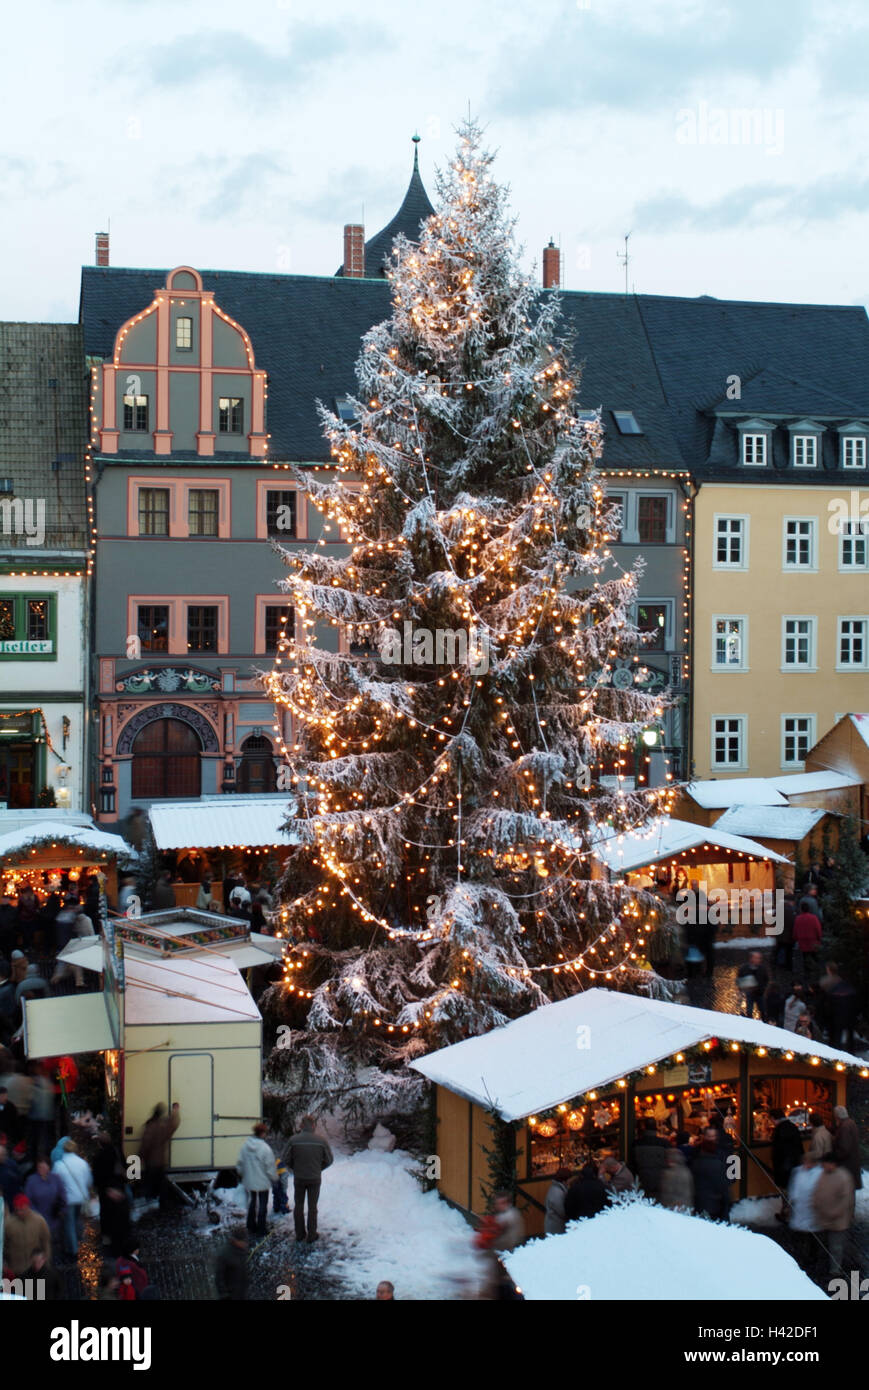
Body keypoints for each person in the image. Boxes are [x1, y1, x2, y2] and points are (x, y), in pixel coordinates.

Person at [285, 1114, 333, 1243]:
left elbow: (285, 1159)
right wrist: (318, 1168)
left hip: (299, 1178)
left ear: (301, 1126)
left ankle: (300, 1234)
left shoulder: (293, 1140)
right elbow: (329, 1160)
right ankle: (312, 1235)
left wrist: (295, 1168)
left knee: (298, 1205)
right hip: (314, 1178)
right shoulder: (321, 1141)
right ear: (313, 1126)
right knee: (313, 1207)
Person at [812, 1157, 855, 1278]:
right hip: (823, 1217)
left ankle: (835, 1270)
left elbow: (846, 1200)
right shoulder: (823, 1174)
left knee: (836, 1246)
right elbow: (817, 1190)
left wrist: (834, 1212)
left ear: (832, 1164)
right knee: (825, 1243)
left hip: (838, 1219)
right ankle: (826, 1265)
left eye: (824, 1163)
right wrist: (815, 1204)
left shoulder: (844, 1177)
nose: (822, 1166)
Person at [53, 1139, 93, 1261]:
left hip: (68, 1199)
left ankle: (73, 1249)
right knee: (76, 1220)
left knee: (68, 1223)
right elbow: (89, 1181)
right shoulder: (82, 1163)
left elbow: (56, 1182)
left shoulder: (59, 1165)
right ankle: (79, 1238)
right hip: (81, 1198)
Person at [237, 1122, 278, 1238]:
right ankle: (261, 1228)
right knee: (262, 1205)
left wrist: (241, 1174)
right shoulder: (265, 1148)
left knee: (252, 1202)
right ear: (262, 1133)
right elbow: (270, 1166)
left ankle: (250, 1225)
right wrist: (274, 1178)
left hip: (249, 1181)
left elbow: (240, 1163)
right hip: (262, 1182)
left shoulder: (245, 1146)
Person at [788, 1155, 823, 1277]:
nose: (805, 1164)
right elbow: (794, 1188)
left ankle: (813, 1259)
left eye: (807, 1162)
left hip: (812, 1210)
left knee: (813, 1238)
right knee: (800, 1236)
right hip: (800, 1210)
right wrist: (792, 1200)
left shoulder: (819, 1174)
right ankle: (800, 1258)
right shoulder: (798, 1171)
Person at [139, 1102, 180, 1204]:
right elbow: (173, 1124)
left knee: (150, 1184)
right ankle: (162, 1204)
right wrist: (175, 1111)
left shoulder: (151, 1126)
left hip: (151, 1162)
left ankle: (149, 1203)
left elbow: (145, 1144)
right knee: (162, 1184)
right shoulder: (163, 1126)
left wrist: (140, 1156)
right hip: (161, 1161)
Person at [3, 1193, 51, 1275]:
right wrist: (4, 1264)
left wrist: (46, 1264)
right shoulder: (8, 1224)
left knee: (36, 1288)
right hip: (16, 1270)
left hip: (35, 1269)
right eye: (17, 1210)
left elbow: (45, 1243)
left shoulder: (39, 1221)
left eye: (22, 1209)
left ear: (28, 1207)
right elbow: (3, 1246)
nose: (19, 1212)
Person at [689, 1128, 731, 1221]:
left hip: (707, 1201)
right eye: (709, 1136)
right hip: (712, 1200)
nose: (712, 1138)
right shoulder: (698, 1154)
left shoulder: (722, 1152)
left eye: (713, 1136)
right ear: (704, 1137)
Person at [771, 1109, 804, 1221]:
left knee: (785, 1192)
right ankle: (789, 1213)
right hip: (795, 1165)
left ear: (774, 1119)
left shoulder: (779, 1130)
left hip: (784, 1167)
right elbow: (799, 1147)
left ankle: (787, 1214)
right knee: (792, 1190)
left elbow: (779, 1151)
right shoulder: (793, 1127)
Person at [24, 1156, 66, 1245]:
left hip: (54, 1218)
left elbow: (62, 1195)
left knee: (54, 1245)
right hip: (38, 1218)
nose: (41, 1169)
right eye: (39, 1167)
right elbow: (28, 1199)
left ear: (49, 1167)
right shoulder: (31, 1180)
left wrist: (62, 1210)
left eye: (44, 1167)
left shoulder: (56, 1178)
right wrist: (35, 1214)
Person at [633, 1119, 671, 1200]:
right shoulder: (664, 1143)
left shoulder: (636, 1143)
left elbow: (633, 1162)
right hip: (660, 1179)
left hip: (642, 1178)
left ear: (644, 1128)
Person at [832, 1106, 863, 1191]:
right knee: (850, 1189)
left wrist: (834, 1156)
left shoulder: (844, 1127)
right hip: (852, 1162)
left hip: (847, 1164)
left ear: (837, 1116)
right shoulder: (850, 1123)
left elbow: (844, 1148)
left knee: (847, 1189)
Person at [215, 1225, 248, 1300]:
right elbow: (219, 1278)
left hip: (240, 1293)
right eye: (243, 1241)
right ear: (236, 1241)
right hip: (231, 1295)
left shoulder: (241, 1252)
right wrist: (224, 1295)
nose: (245, 1244)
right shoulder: (225, 1255)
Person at [736, 950, 769, 1019]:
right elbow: (739, 978)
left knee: (763, 1011)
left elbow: (766, 980)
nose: (758, 960)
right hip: (750, 993)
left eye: (759, 958)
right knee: (749, 1011)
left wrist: (763, 988)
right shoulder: (744, 968)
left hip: (759, 993)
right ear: (751, 958)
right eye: (756, 958)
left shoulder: (762, 969)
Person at [793, 907, 822, 977]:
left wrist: (795, 938)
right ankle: (817, 970)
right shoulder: (814, 918)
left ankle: (807, 972)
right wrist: (819, 937)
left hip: (803, 941)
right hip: (813, 940)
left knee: (805, 957)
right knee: (815, 955)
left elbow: (795, 929)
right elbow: (818, 928)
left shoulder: (798, 918)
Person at [543, 1166, 571, 1235]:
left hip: (554, 1224)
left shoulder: (556, 1189)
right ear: (564, 1180)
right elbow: (562, 1211)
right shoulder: (557, 1192)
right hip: (555, 1227)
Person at [776, 893, 796, 972]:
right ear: (790, 901)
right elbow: (793, 922)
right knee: (789, 952)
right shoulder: (791, 910)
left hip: (780, 934)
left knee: (779, 949)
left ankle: (777, 964)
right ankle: (788, 966)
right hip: (788, 934)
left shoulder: (779, 908)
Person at [0, 1140, 22, 1206]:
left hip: (11, 1197)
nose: (2, 1157)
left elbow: (18, 1180)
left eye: (3, 1155)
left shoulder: (12, 1164)